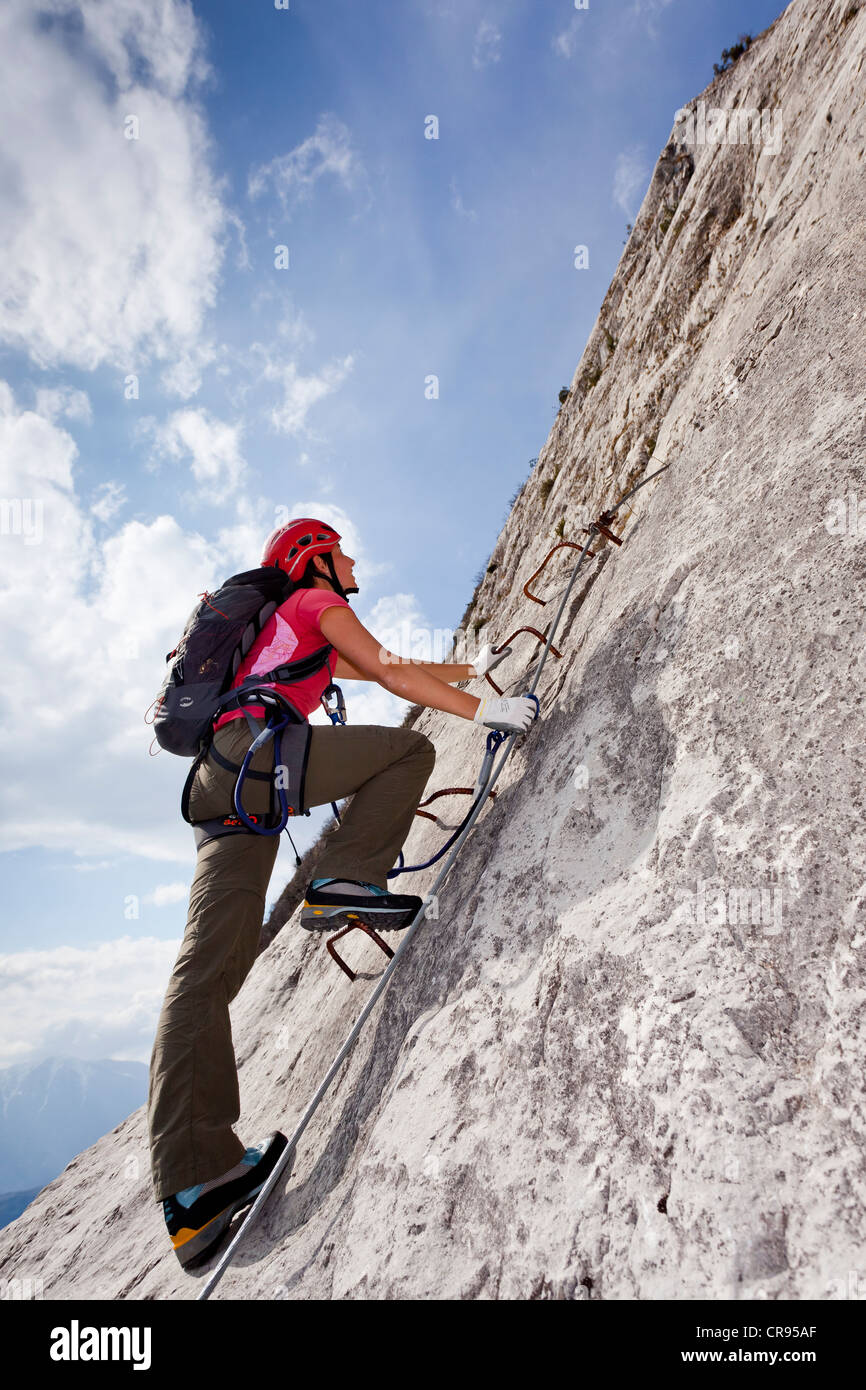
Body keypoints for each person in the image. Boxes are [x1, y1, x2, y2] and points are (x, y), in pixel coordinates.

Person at [148, 517, 538, 1268]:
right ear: (313, 559)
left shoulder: (296, 631)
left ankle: (196, 1189)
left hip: (223, 786)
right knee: (408, 751)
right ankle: (341, 883)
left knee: (207, 975)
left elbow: (391, 664)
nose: (354, 556)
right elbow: (392, 679)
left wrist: (472, 667)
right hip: (257, 761)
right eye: (341, 546)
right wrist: (486, 711)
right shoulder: (312, 603)